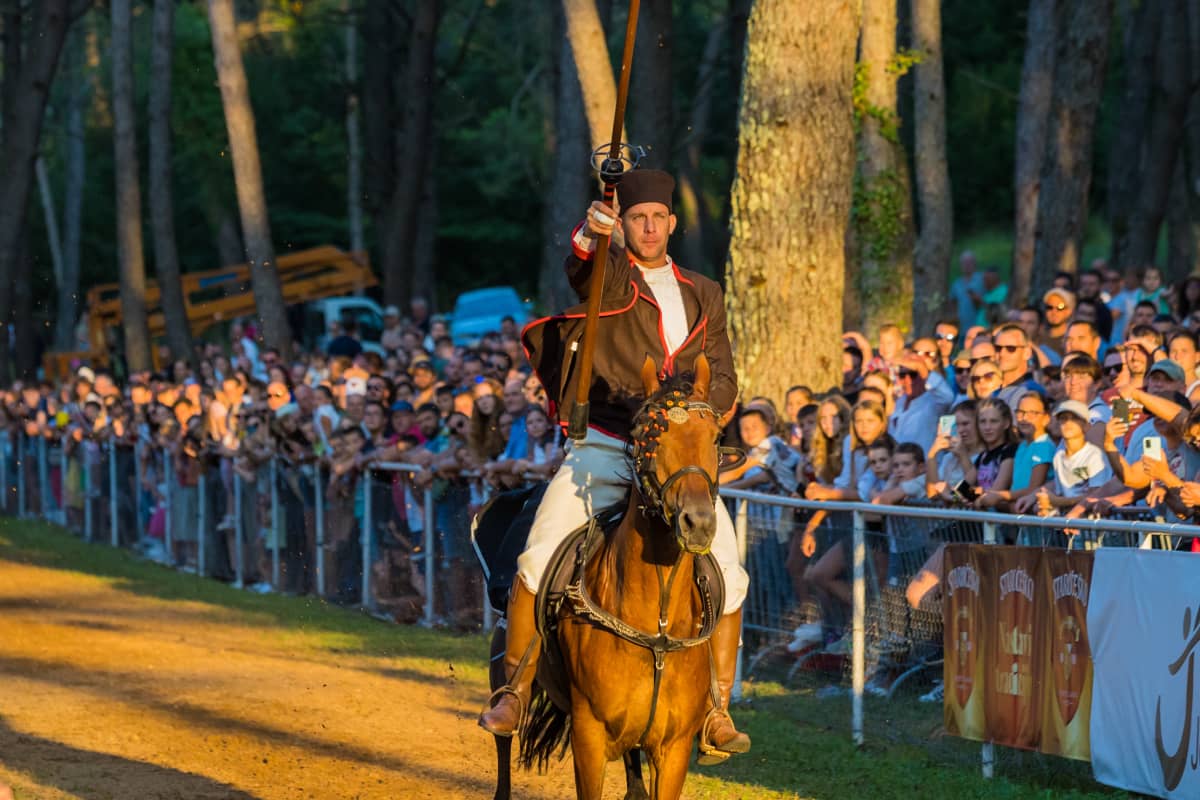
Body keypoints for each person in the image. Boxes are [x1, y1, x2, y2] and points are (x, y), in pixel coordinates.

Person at [484, 169, 750, 761]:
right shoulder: (612, 275)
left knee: (730, 572)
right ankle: (516, 690)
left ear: (673, 224)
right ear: (625, 226)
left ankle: (716, 708)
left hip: (679, 456)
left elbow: (724, 373)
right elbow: (581, 266)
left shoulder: (706, 291)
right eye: (637, 219)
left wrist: (698, 416)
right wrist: (591, 231)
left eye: (658, 217)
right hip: (607, 443)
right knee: (536, 554)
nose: (649, 227)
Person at [950, 251, 984, 333]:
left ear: (975, 264)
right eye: (964, 263)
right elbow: (952, 302)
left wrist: (977, 299)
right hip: (962, 327)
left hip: (979, 326)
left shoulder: (982, 279)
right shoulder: (957, 283)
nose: (967, 265)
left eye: (969, 262)